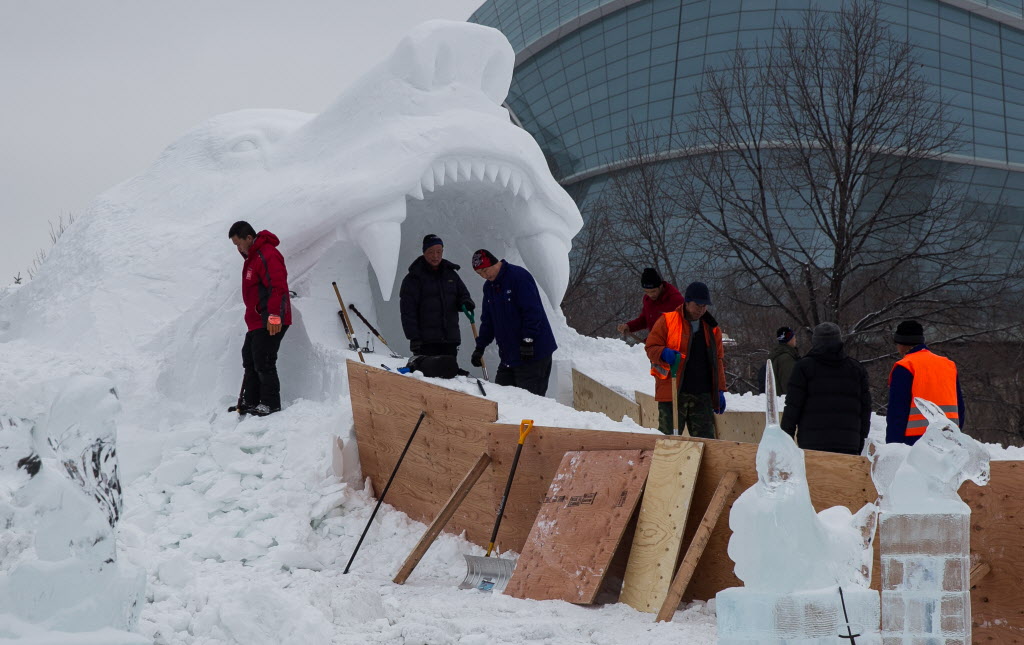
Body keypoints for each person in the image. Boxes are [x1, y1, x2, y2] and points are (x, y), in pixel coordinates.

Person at [644, 281, 727, 437]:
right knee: (669, 440)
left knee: (706, 443)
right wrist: (663, 353)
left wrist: (719, 390)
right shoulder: (667, 321)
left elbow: (718, 361)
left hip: (702, 394)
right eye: (697, 305)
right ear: (687, 302)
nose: (701, 309)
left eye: (704, 306)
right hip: (674, 392)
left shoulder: (712, 328)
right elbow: (651, 347)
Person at [470, 249, 557, 396]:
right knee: (503, 401)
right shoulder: (489, 287)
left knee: (530, 405)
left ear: (493, 262)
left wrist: (528, 340)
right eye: (480, 274)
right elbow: (488, 320)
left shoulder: (518, 277)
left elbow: (532, 311)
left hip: (533, 354)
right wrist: (480, 347)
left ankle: (531, 421)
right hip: (509, 356)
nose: (484, 276)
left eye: (485, 270)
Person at [229, 221, 291, 416]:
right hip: (256, 320)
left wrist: (274, 317)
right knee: (250, 358)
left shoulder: (267, 254)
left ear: (249, 237)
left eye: (239, 243)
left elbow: (277, 287)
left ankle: (270, 403)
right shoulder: (252, 258)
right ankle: (251, 400)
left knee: (263, 360)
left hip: (271, 318)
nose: (238, 248)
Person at [780, 322, 871, 455]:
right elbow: (865, 409)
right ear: (839, 341)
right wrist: (860, 439)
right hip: (848, 442)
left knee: (815, 476)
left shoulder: (803, 368)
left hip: (812, 442)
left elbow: (793, 406)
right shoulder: (856, 369)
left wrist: (785, 440)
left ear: (815, 342)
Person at [886, 320, 965, 446]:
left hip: (915, 443)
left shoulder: (905, 366)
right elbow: (960, 408)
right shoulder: (948, 365)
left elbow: (897, 412)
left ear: (901, 344)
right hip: (948, 441)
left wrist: (893, 447)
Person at [398, 234, 475, 358]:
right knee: (429, 375)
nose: (435, 256)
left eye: (439, 252)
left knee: (449, 372)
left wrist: (465, 302)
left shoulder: (451, 275)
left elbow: (463, 294)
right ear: (424, 252)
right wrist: (414, 338)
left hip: (450, 339)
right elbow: (408, 311)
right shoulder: (413, 278)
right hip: (426, 341)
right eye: (431, 252)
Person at [616, 268, 685, 335]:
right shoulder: (648, 299)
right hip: (656, 342)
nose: (651, 295)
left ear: (660, 286)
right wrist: (629, 326)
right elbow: (645, 320)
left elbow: (685, 325)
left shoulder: (675, 300)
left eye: (653, 291)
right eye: (647, 292)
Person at [765, 326, 800, 395]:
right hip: (786, 401)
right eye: (794, 337)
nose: (795, 339)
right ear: (789, 340)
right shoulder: (786, 358)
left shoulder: (777, 354)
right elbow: (789, 384)